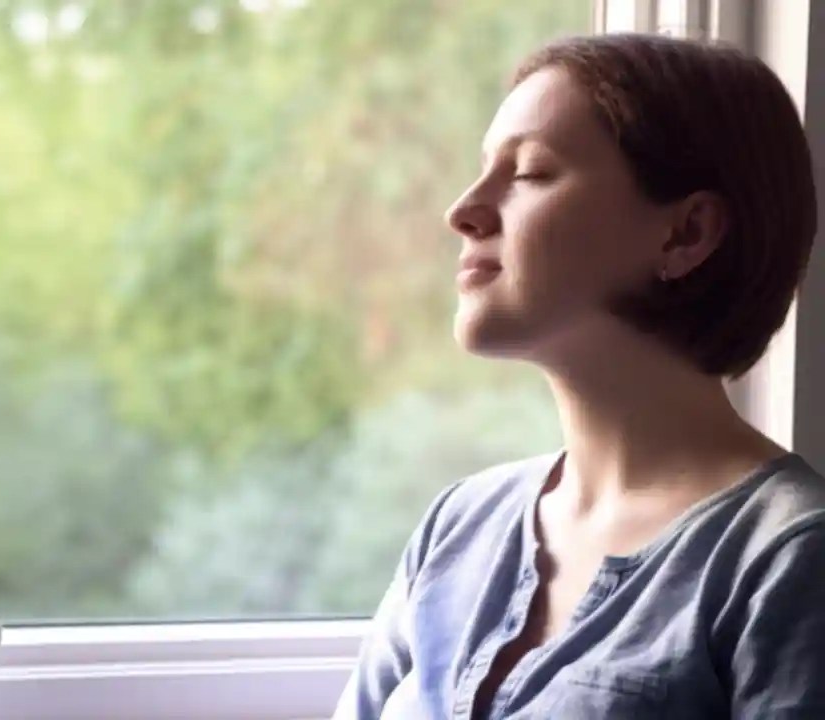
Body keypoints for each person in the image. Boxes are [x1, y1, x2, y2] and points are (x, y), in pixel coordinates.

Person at [333, 33, 824, 720]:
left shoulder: (787, 559)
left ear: (685, 234)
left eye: (530, 172)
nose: (463, 210)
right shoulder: (459, 525)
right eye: (483, 168)